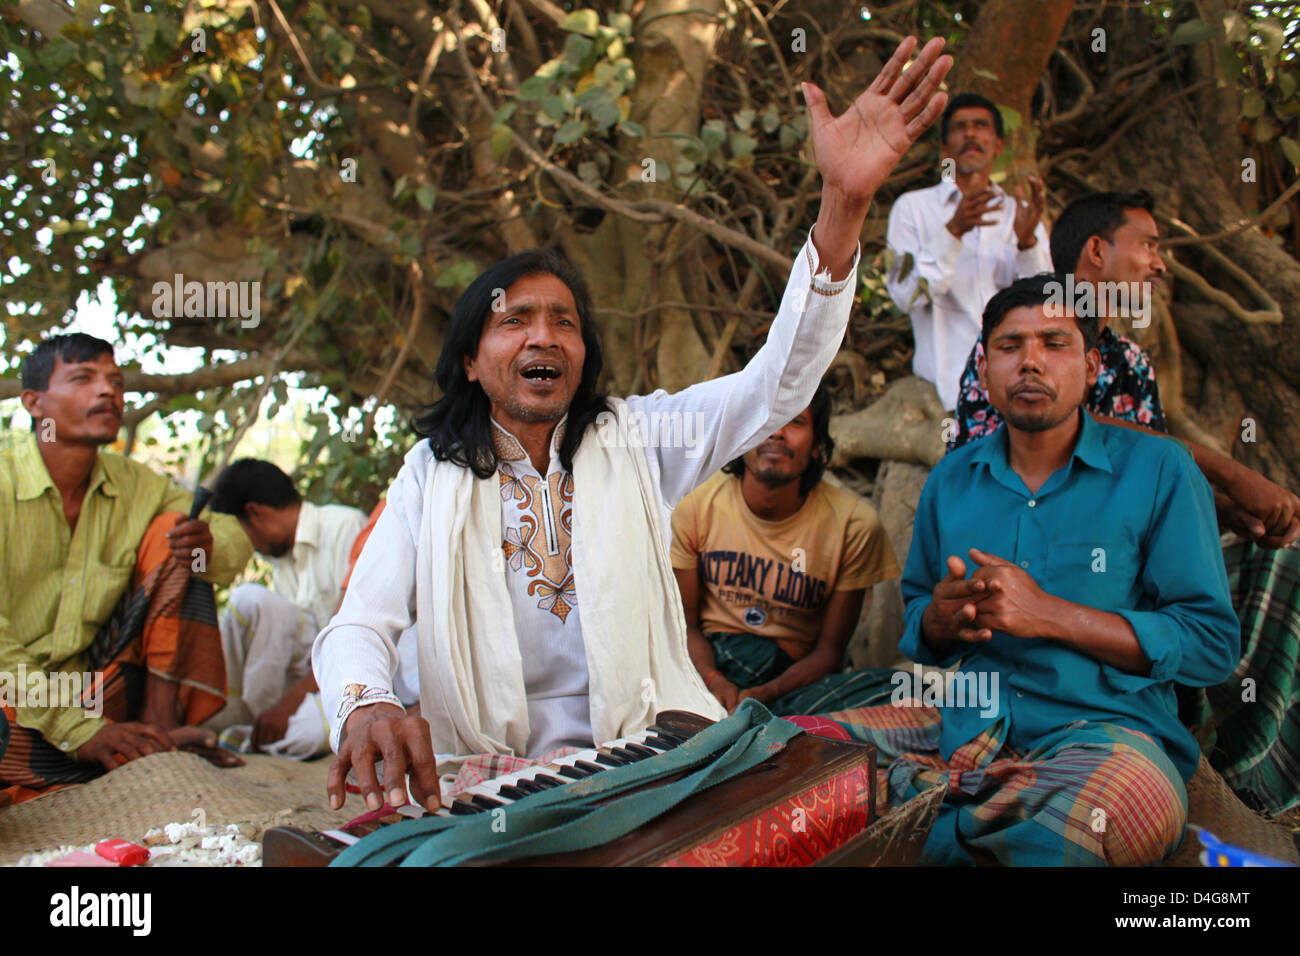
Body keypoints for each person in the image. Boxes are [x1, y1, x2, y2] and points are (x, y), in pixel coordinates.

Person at [314, 36, 954, 815]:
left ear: (583, 355)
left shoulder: (642, 439)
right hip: (489, 783)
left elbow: (777, 387)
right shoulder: (429, 474)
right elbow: (362, 623)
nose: (543, 336)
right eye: (514, 321)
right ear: (472, 364)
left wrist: (844, 203)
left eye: (564, 322)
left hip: (652, 762)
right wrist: (365, 704)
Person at [813, 275, 1240, 865]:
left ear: (1091, 367)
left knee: (1103, 820)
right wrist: (939, 622)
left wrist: (1050, 615)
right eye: (1010, 347)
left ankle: (917, 814)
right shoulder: (951, 480)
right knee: (790, 750)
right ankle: (958, 812)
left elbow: (1211, 646)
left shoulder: (1161, 470)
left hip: (1102, 737)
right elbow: (918, 623)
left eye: (1054, 343)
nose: (1030, 362)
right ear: (985, 370)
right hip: (961, 722)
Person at [950, 191, 1300, 811]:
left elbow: (1148, 493)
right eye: (1150, 245)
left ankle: (1248, 764)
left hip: (1127, 561)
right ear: (1095, 252)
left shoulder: (1132, 362)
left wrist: (1224, 512)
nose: (1159, 265)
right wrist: (1226, 468)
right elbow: (1026, 462)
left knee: (1283, 562)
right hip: (1037, 572)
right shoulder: (1016, 345)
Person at [0, 334, 252, 805]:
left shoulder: (134, 483)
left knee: (180, 532)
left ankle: (154, 734)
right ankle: (126, 753)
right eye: (83, 379)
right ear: (33, 402)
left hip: (98, 694)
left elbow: (234, 543)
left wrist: (209, 544)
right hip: (14, 693)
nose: (108, 392)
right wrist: (78, 731)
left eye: (115, 382)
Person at [671, 383, 900, 715]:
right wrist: (715, 681)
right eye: (765, 419)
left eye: (795, 421)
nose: (777, 433)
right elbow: (685, 629)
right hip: (709, 666)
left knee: (903, 689)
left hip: (792, 683)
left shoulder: (855, 525)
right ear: (741, 436)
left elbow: (829, 653)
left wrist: (768, 692)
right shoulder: (695, 506)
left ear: (818, 447)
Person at [885, 92, 1050, 412]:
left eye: (981, 126)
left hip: (1015, 392)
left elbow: (1044, 307)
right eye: (960, 127)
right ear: (945, 150)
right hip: (940, 396)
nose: (971, 133)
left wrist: (1028, 244)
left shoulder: (1021, 216)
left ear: (999, 146)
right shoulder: (912, 209)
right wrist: (953, 231)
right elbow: (907, 298)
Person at [208, 459, 367, 758]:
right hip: (301, 682)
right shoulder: (279, 560)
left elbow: (351, 640)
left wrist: (291, 701)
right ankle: (240, 718)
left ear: (256, 514)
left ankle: (255, 730)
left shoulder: (345, 527)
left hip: (347, 679)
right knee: (246, 600)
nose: (253, 549)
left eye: (246, 537)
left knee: (304, 738)